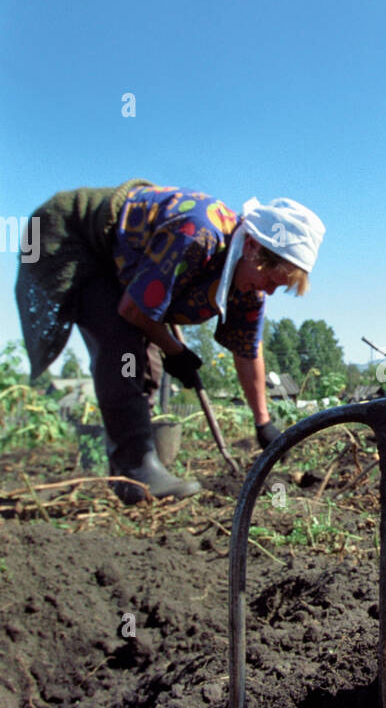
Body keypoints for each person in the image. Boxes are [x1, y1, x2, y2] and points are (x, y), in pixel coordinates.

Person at [16, 180, 325, 503]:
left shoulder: (251, 286)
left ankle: (138, 463)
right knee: (123, 350)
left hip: (121, 264)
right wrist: (177, 351)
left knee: (149, 364)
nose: (270, 291)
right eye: (271, 280)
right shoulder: (198, 235)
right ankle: (135, 469)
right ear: (251, 247)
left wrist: (263, 422)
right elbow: (134, 309)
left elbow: (248, 350)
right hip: (73, 235)